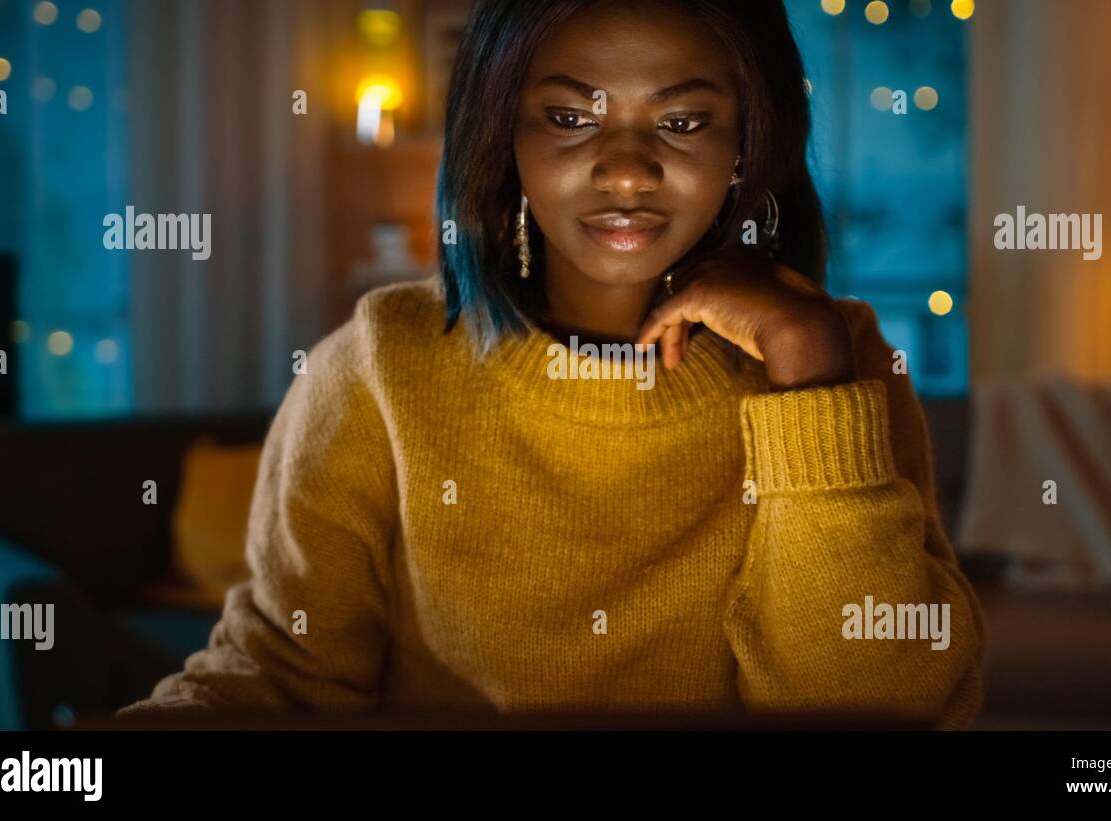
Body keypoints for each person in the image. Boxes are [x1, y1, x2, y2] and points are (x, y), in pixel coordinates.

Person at [120, 0, 984, 728]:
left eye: (682, 122)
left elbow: (873, 707)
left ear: (748, 144)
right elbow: (281, 678)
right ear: (505, 138)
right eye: (570, 118)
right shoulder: (382, 365)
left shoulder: (838, 358)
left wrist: (809, 369)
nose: (624, 169)